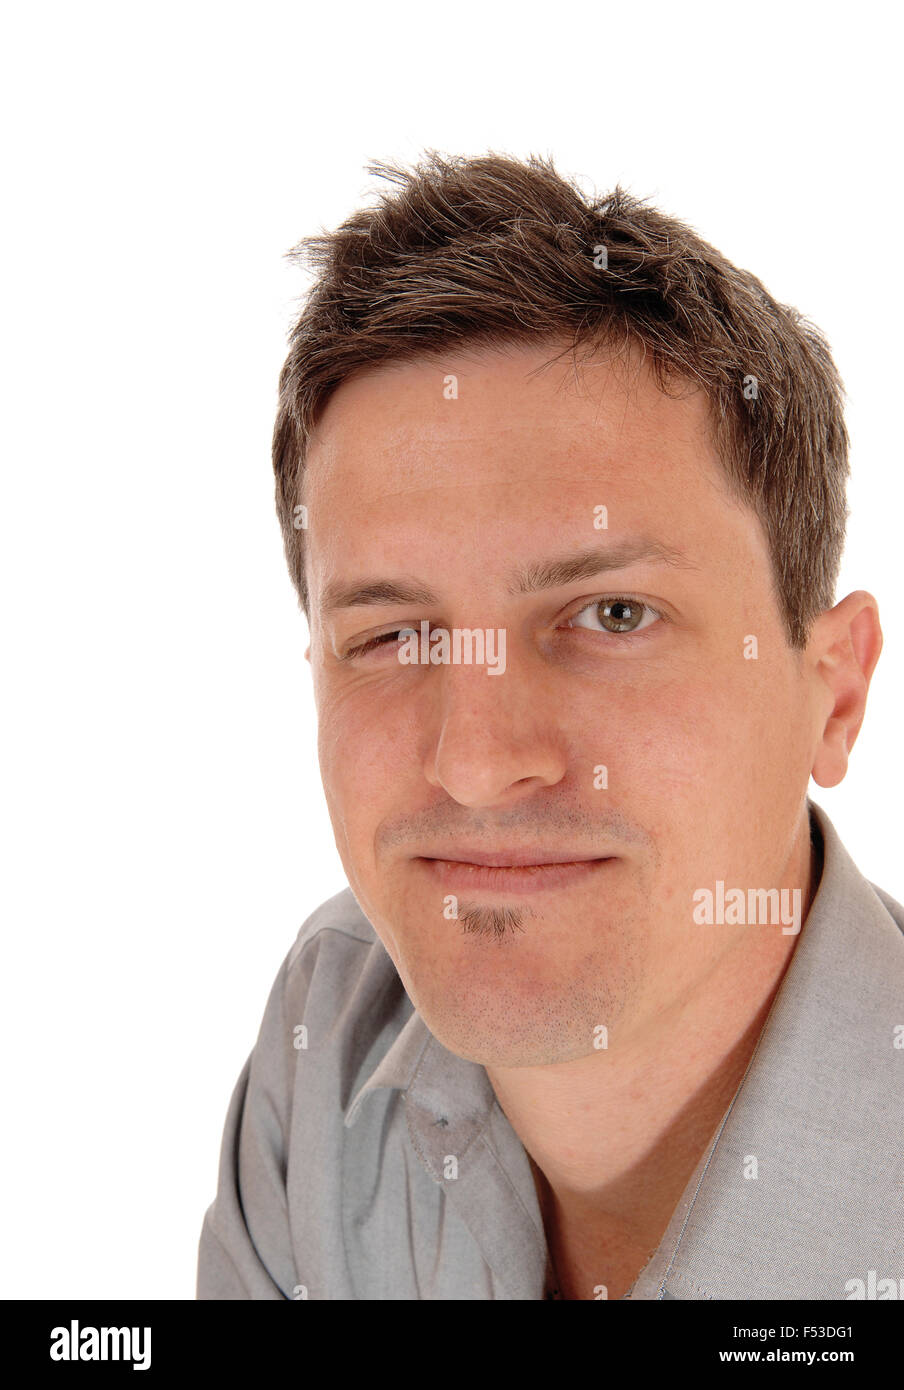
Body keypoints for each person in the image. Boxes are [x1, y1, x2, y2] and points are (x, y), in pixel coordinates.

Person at [197, 152, 902, 1300]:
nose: (476, 764)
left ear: (831, 691)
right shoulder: (329, 1038)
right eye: (396, 634)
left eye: (610, 614)